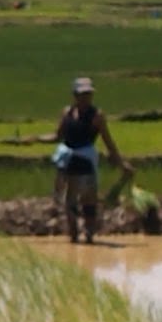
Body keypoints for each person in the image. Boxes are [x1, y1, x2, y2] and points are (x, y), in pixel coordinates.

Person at [39, 77, 133, 244]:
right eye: (82, 94)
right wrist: (32, 140)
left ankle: (89, 236)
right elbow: (57, 136)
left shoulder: (97, 116)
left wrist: (121, 164)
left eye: (88, 94)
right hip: (69, 161)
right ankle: (74, 236)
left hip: (86, 161)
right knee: (71, 201)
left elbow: (108, 142)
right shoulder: (67, 113)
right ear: (75, 95)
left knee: (89, 200)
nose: (86, 98)